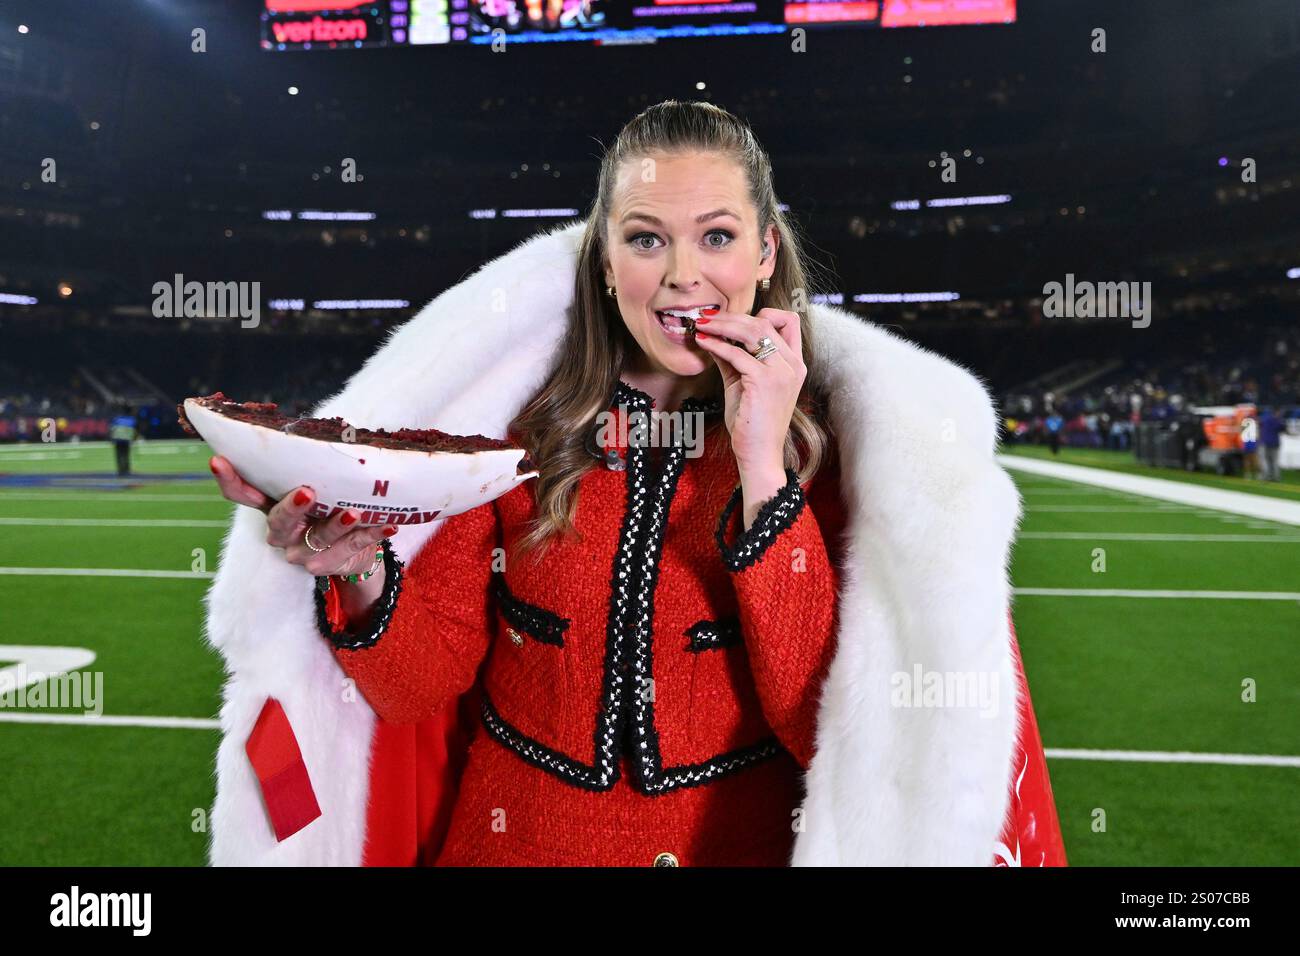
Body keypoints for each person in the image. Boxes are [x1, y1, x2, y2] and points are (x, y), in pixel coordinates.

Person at [203, 100, 1064, 867]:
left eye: (717, 236)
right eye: (646, 237)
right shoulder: (513, 434)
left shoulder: (845, 456)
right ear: (606, 260)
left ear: (766, 251)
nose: (684, 273)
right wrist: (358, 567)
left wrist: (765, 467)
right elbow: (416, 690)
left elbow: (830, 734)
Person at [109, 403, 138, 476]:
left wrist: (111, 438)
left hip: (118, 439)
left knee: (119, 455)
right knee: (126, 455)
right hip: (126, 440)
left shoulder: (117, 419)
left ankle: (120, 471)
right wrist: (134, 439)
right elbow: (134, 430)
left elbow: (112, 429)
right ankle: (126, 470)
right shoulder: (132, 419)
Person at [1259, 406, 1282, 481]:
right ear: (1277, 412)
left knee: (1265, 460)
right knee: (1274, 461)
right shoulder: (1278, 421)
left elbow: (1259, 425)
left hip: (1265, 442)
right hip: (1274, 443)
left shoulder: (1265, 419)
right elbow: (1282, 428)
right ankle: (1275, 477)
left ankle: (1266, 476)